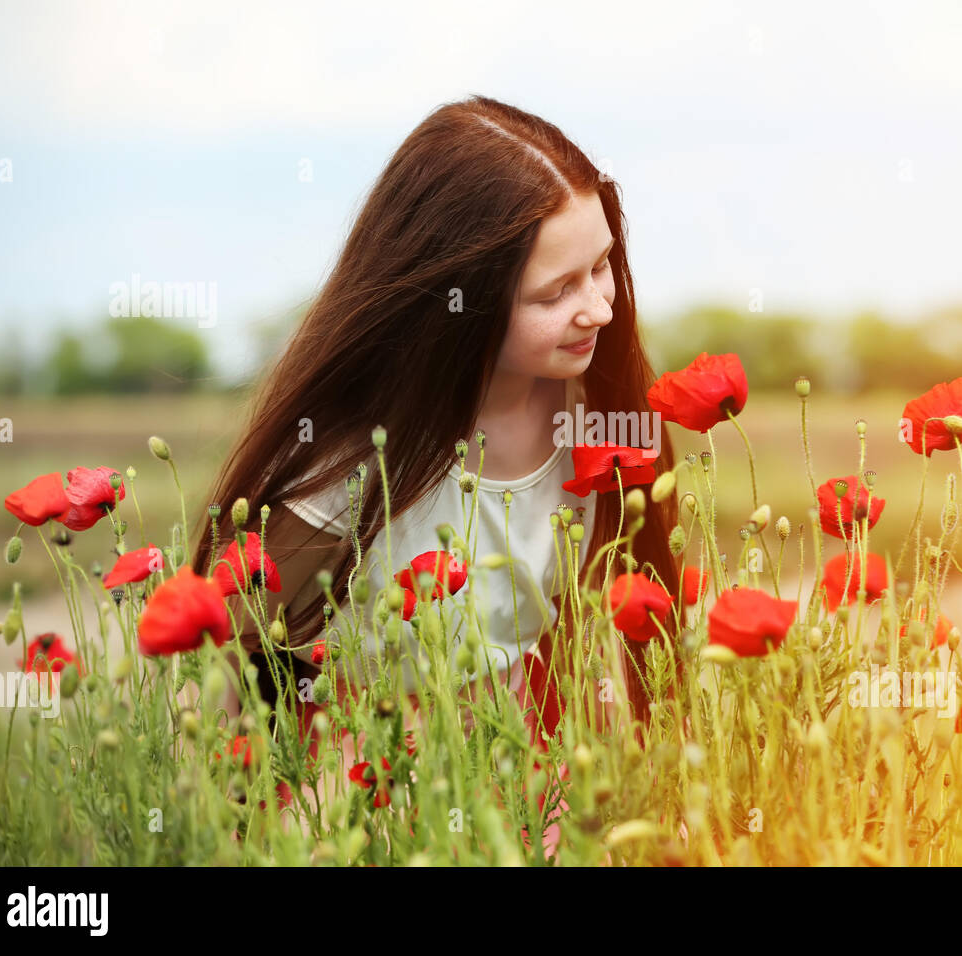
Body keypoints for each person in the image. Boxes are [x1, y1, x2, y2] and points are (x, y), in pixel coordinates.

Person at [189, 94, 683, 818]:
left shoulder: (595, 416)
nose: (601, 309)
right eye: (557, 291)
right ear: (462, 300)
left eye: (603, 267)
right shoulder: (347, 463)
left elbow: (616, 649)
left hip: (524, 791)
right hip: (359, 804)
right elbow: (221, 665)